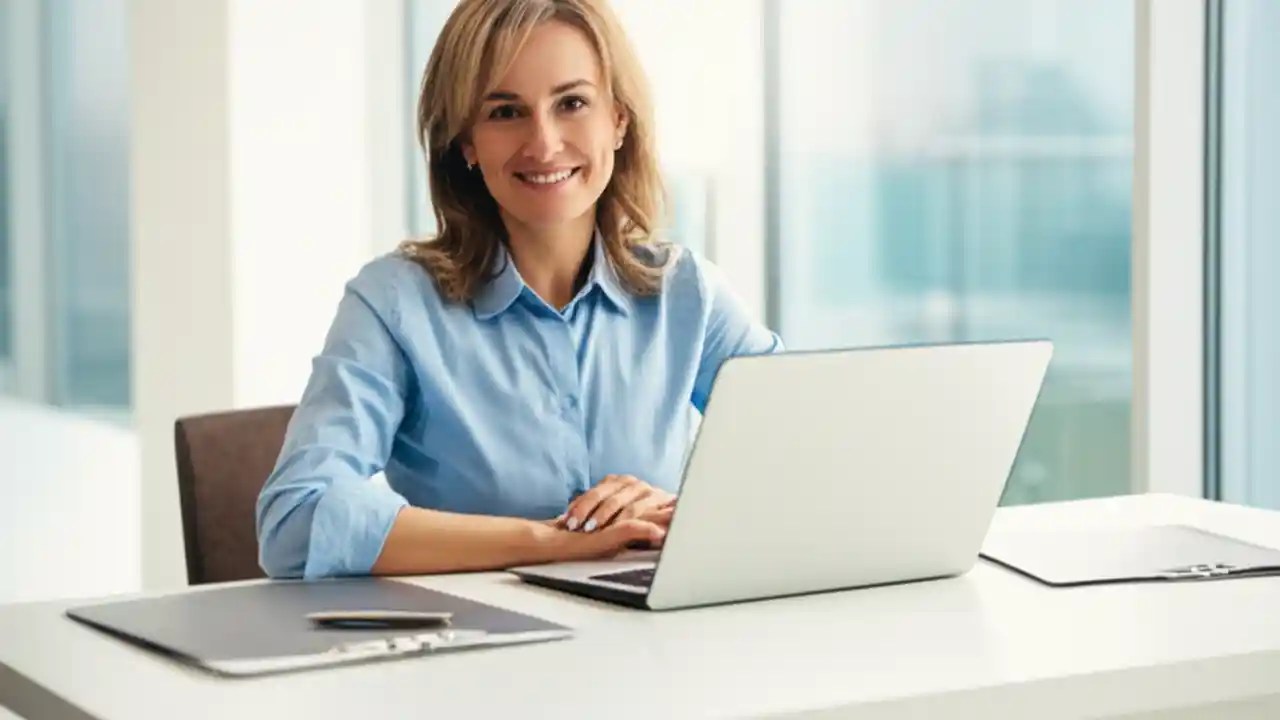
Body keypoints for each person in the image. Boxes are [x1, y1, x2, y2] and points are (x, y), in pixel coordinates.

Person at [255, 0, 782, 580]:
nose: (544, 142)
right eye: (506, 112)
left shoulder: (688, 295)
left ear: (619, 120)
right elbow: (296, 520)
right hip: (473, 651)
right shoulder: (394, 303)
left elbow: (815, 453)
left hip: (658, 647)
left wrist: (672, 516)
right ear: (467, 145)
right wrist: (553, 541)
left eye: (572, 103)